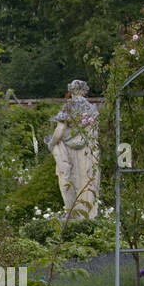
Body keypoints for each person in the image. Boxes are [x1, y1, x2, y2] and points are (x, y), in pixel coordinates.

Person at [46, 80, 100, 221]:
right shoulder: (91, 108)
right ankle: (87, 216)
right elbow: (94, 132)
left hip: (69, 151)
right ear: (84, 90)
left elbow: (60, 130)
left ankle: (73, 214)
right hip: (88, 151)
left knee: (70, 179)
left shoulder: (68, 106)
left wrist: (51, 143)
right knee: (87, 180)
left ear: (71, 90)